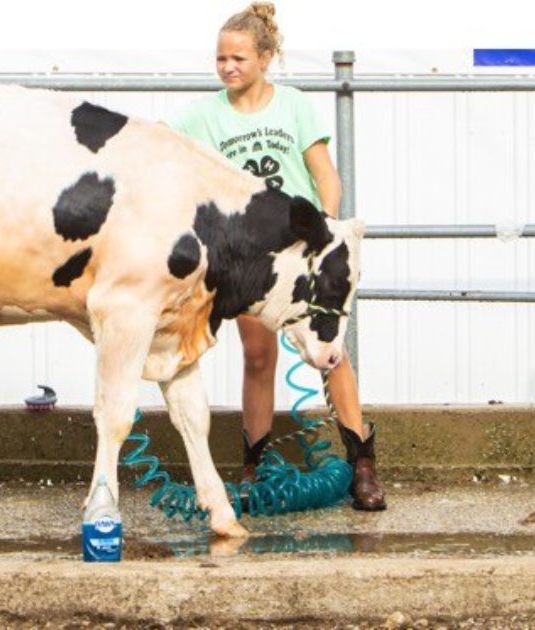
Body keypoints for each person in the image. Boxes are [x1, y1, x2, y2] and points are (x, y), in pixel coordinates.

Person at [166, 1, 385, 510]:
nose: (227, 68)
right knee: (258, 356)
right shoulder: (202, 116)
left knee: (330, 353)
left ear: (265, 57)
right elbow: (169, 155)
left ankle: (362, 463)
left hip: (304, 251)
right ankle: (255, 465)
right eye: (220, 59)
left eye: (238, 58)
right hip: (252, 259)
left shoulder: (294, 106)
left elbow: (325, 174)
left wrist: (325, 230)